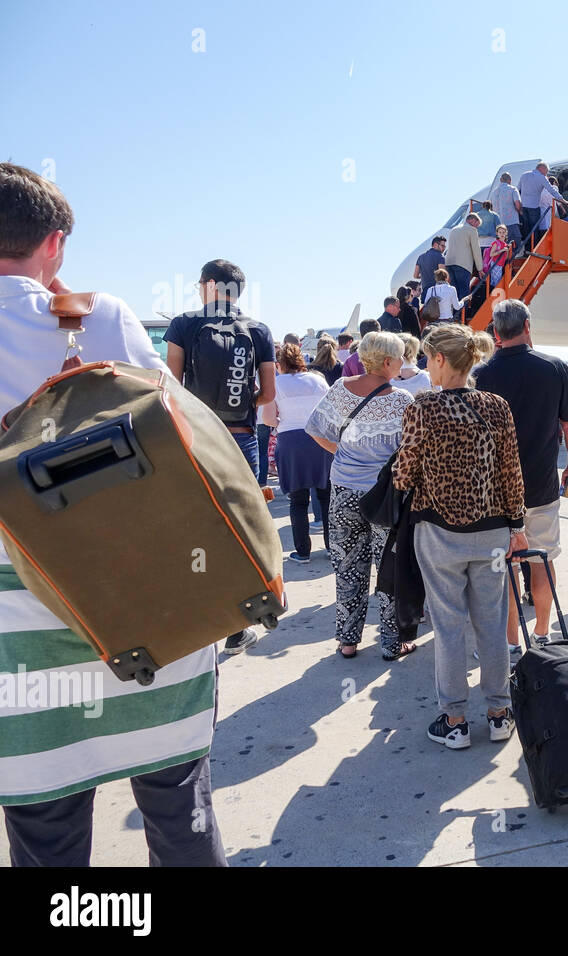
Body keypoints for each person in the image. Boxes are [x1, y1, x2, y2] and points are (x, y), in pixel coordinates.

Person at [0, 161, 225, 865]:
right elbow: (183, 445)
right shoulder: (99, 317)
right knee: (182, 818)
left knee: (47, 843)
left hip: (20, 649)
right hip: (147, 616)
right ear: (56, 244)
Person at [392, 324, 528, 749]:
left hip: (438, 532)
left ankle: (454, 720)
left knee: (449, 627)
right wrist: (517, 525)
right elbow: (511, 472)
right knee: (491, 623)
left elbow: (404, 474)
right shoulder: (496, 406)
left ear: (439, 360)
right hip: (491, 531)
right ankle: (500, 712)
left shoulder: (422, 408)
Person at [164, 258, 276, 656]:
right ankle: (237, 624)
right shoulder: (258, 330)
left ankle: (198, 617)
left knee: (196, 526)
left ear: (210, 285)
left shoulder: (184, 323)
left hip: (197, 438)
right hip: (242, 438)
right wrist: (242, 400)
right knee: (239, 526)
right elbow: (268, 395)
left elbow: (169, 387)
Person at [475, 299, 568, 661]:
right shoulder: (554, 367)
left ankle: (509, 641)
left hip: (496, 492)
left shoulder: (483, 374)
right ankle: (541, 632)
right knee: (543, 559)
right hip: (541, 484)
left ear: (496, 333)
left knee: (504, 565)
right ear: (527, 326)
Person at [306, 331, 417, 660]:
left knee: (348, 567)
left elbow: (314, 428)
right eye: (400, 358)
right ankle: (391, 642)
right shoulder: (401, 400)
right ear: (386, 362)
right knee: (388, 568)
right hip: (384, 496)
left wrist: (343, 452)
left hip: (343, 489)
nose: (403, 363)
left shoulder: (341, 389)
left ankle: (348, 640)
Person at [261, 343, 332, 563]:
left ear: (279, 363)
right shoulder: (318, 380)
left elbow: (269, 419)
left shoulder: (276, 384)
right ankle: (332, 547)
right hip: (319, 439)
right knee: (326, 497)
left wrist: (284, 421)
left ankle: (302, 552)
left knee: (298, 500)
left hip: (291, 442)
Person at [518, 162, 568, 250]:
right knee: (534, 228)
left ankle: (527, 249)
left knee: (526, 228)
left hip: (524, 207)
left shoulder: (524, 175)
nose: (546, 173)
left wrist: (519, 206)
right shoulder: (541, 177)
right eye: (546, 171)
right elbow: (552, 191)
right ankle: (535, 249)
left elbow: (518, 190)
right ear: (542, 169)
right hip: (534, 207)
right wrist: (563, 201)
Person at [445, 213, 484, 320]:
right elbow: (476, 250)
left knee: (454, 291)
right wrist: (480, 268)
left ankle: (454, 315)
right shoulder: (471, 230)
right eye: (477, 224)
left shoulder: (454, 230)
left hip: (449, 264)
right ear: (472, 220)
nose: (476, 227)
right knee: (464, 291)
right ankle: (462, 315)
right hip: (463, 264)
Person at [488, 173, 523, 256]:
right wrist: (521, 212)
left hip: (499, 225)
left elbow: (491, 208)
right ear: (510, 181)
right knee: (515, 242)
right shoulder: (513, 189)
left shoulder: (494, 192)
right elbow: (517, 204)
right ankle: (511, 259)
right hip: (511, 222)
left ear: (500, 180)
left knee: (502, 245)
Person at [485, 224, 511, 289]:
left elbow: (506, 257)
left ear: (506, 233)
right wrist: (502, 250)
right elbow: (491, 254)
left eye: (503, 232)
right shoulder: (496, 243)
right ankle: (494, 293)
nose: (502, 234)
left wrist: (508, 250)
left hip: (500, 264)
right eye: (500, 232)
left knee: (497, 280)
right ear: (497, 234)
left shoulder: (505, 244)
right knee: (496, 281)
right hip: (495, 263)